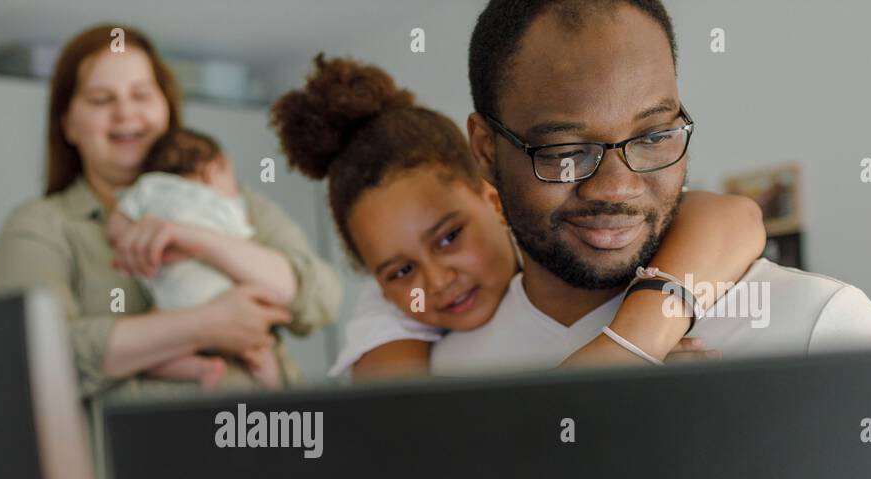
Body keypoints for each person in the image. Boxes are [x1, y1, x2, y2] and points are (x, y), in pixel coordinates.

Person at [427, 0, 871, 374]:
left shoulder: (823, 329)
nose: (618, 188)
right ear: (486, 150)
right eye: (568, 150)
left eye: (654, 137)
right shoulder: (446, 369)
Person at [272, 54, 766, 379]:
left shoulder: (576, 235)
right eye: (400, 271)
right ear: (379, 286)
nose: (437, 279)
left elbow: (735, 216)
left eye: (448, 238)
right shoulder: (388, 319)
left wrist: (627, 347)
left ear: (492, 198)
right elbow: (416, 432)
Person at [0, 24, 340, 400]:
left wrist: (195, 237)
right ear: (68, 124)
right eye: (101, 99)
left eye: (141, 94)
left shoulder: (233, 199)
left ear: (168, 108)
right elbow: (32, 358)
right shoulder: (42, 226)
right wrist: (206, 324)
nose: (125, 112)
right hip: (131, 454)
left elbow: (321, 299)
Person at [109, 127, 280, 391]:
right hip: (224, 295)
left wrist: (134, 244)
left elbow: (115, 226)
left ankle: (201, 369)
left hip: (172, 304)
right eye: (231, 178)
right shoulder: (227, 205)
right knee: (259, 344)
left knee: (150, 354)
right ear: (213, 171)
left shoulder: (149, 187)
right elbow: (245, 243)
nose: (235, 189)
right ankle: (273, 387)